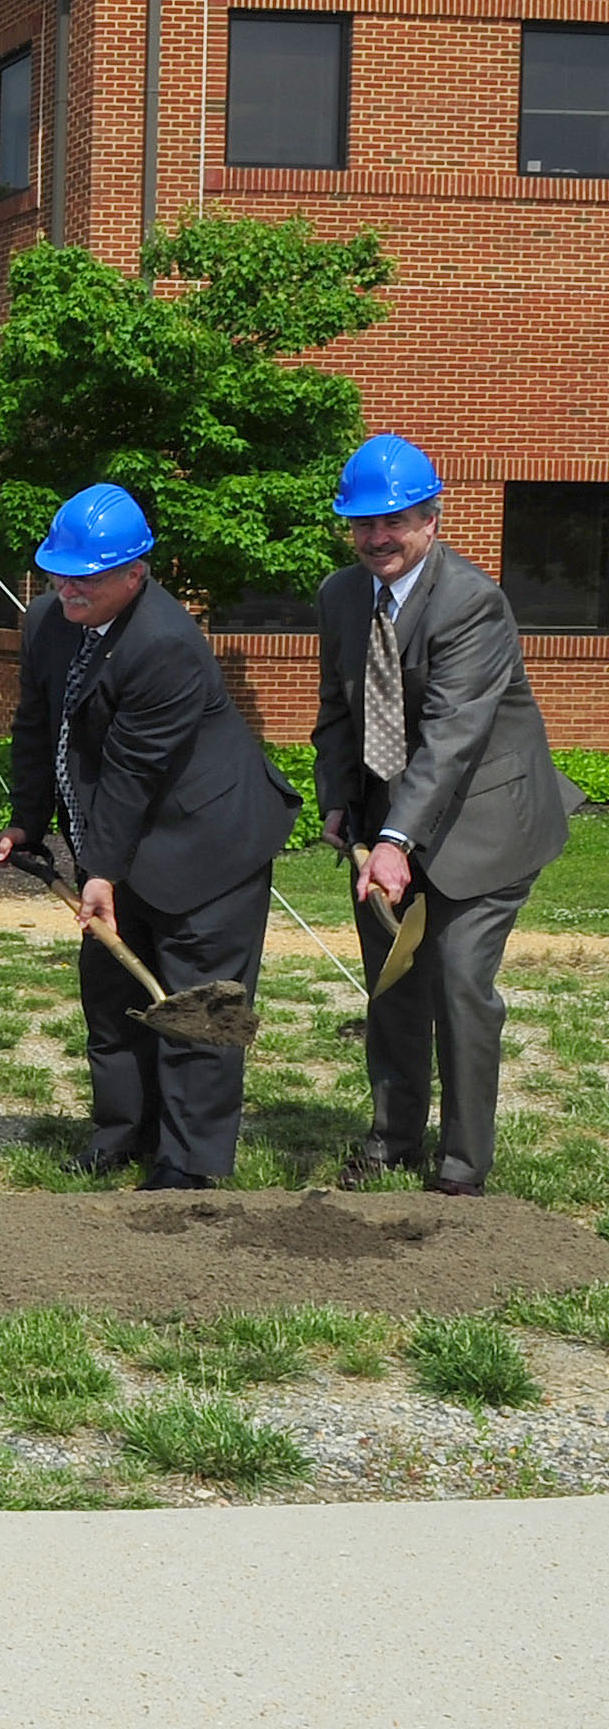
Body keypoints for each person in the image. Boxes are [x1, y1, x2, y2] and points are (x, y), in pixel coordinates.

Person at [0, 484, 298, 1189]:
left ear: (136, 572)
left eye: (85, 576)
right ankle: (124, 1133)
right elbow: (37, 727)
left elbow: (133, 771)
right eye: (57, 570)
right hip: (126, 839)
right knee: (112, 995)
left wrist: (98, 872)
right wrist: (27, 820)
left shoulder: (165, 643)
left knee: (199, 1006)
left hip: (208, 844)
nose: (67, 586)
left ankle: (190, 1165)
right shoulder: (47, 620)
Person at [314, 434, 581, 1196]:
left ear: (433, 518)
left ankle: (463, 1167)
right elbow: (339, 709)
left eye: (394, 521)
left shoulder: (473, 603)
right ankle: (392, 1140)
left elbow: (453, 735)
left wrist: (398, 838)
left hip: (485, 824)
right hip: (383, 822)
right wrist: (340, 798)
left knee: (460, 981)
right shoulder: (339, 596)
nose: (377, 538)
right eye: (363, 524)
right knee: (393, 986)